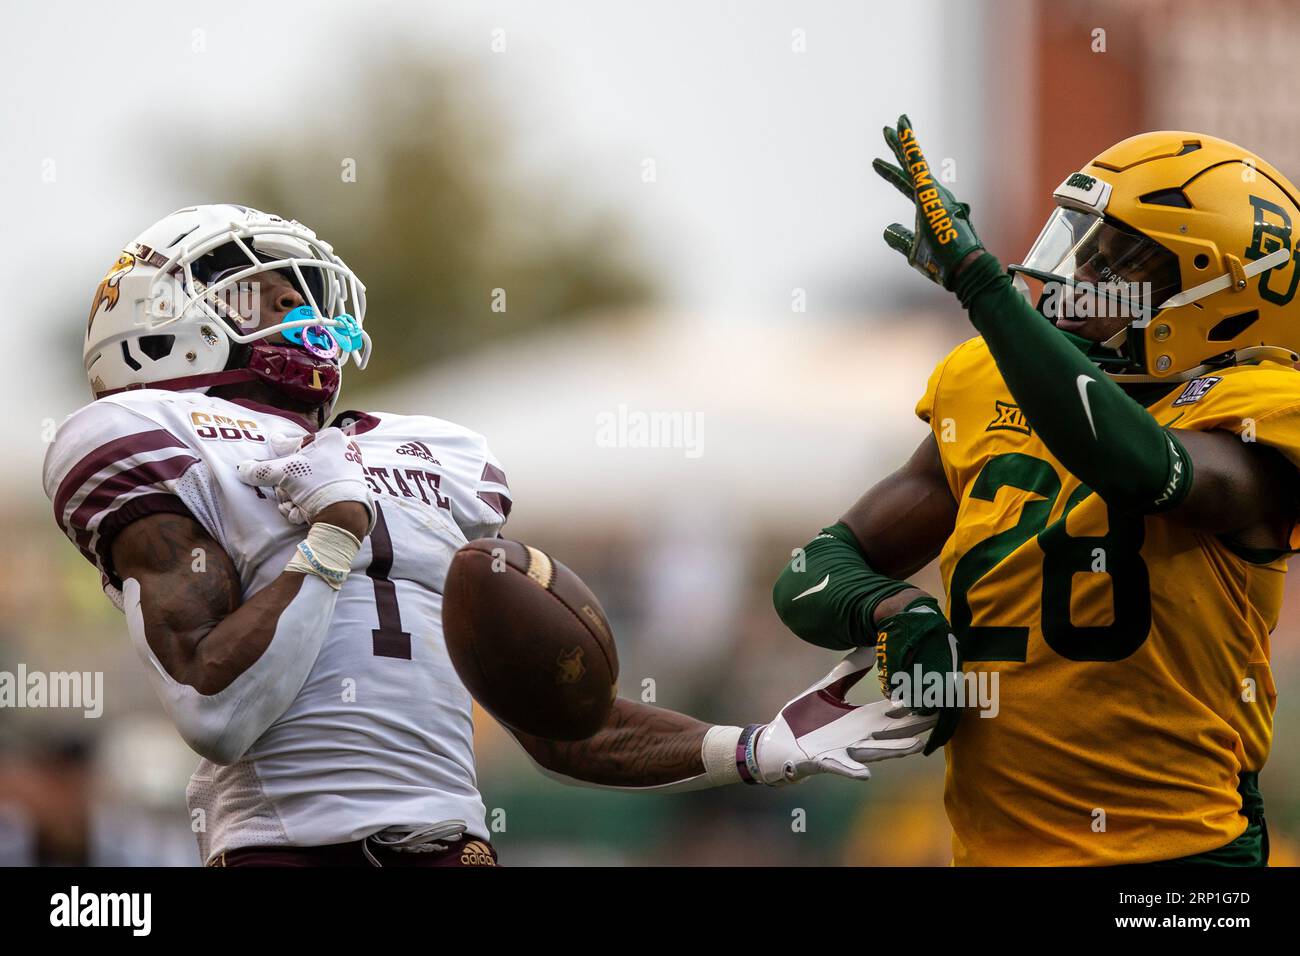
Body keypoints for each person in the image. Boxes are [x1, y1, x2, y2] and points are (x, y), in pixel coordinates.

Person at [45, 204, 935, 867]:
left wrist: (755, 747)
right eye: (266, 296)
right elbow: (218, 711)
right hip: (292, 854)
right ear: (156, 325)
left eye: (305, 293)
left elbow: (558, 724)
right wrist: (332, 539)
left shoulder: (439, 452)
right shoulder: (152, 435)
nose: (301, 314)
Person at [773, 117, 1300, 866]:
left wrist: (984, 288)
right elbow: (811, 569)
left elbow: (1141, 466)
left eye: (1120, 265)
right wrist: (893, 608)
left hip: (1182, 858)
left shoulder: (1266, 408)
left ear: (1222, 292)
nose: (1079, 278)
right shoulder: (986, 382)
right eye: (1086, 248)